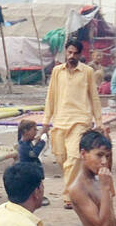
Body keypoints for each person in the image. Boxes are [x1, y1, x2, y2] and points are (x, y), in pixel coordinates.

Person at [42, 40, 103, 208]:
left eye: (75, 53)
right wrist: (46, 121)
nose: (71, 56)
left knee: (75, 158)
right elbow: (51, 97)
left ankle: (69, 197)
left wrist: (99, 121)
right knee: (62, 158)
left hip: (80, 121)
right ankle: (80, 185)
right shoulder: (57, 71)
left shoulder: (87, 72)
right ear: (65, 53)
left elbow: (94, 97)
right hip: (60, 121)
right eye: (69, 52)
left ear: (80, 54)